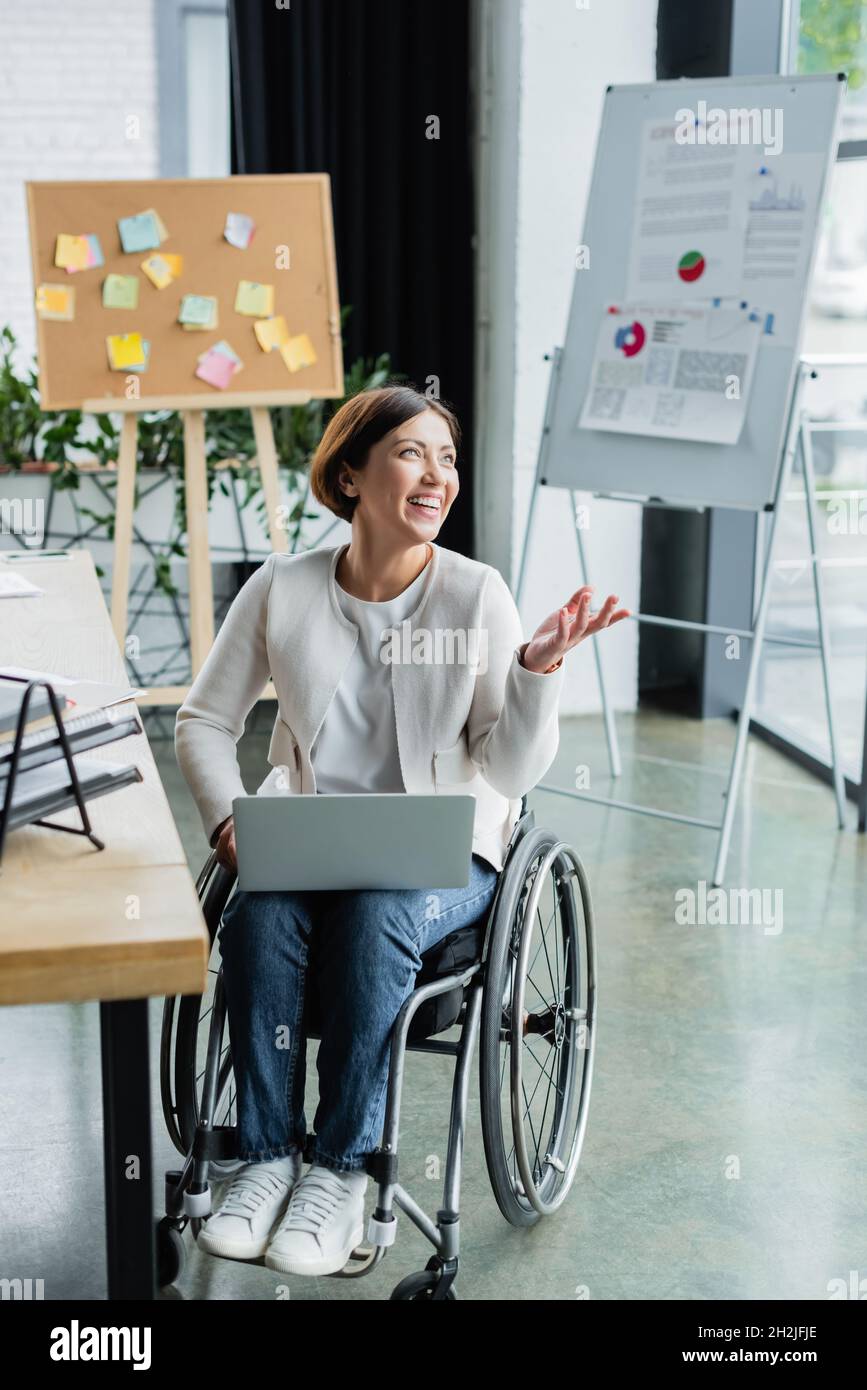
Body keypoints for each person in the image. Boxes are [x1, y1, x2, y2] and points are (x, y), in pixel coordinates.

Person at [174, 382, 628, 1277]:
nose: (437, 475)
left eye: (447, 458)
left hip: (445, 856)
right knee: (257, 922)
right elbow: (203, 722)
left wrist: (535, 671)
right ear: (350, 475)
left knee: (379, 910)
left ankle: (340, 1173)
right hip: (310, 841)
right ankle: (266, 1160)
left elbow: (505, 772)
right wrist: (228, 815)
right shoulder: (283, 588)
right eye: (412, 453)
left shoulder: (474, 594)